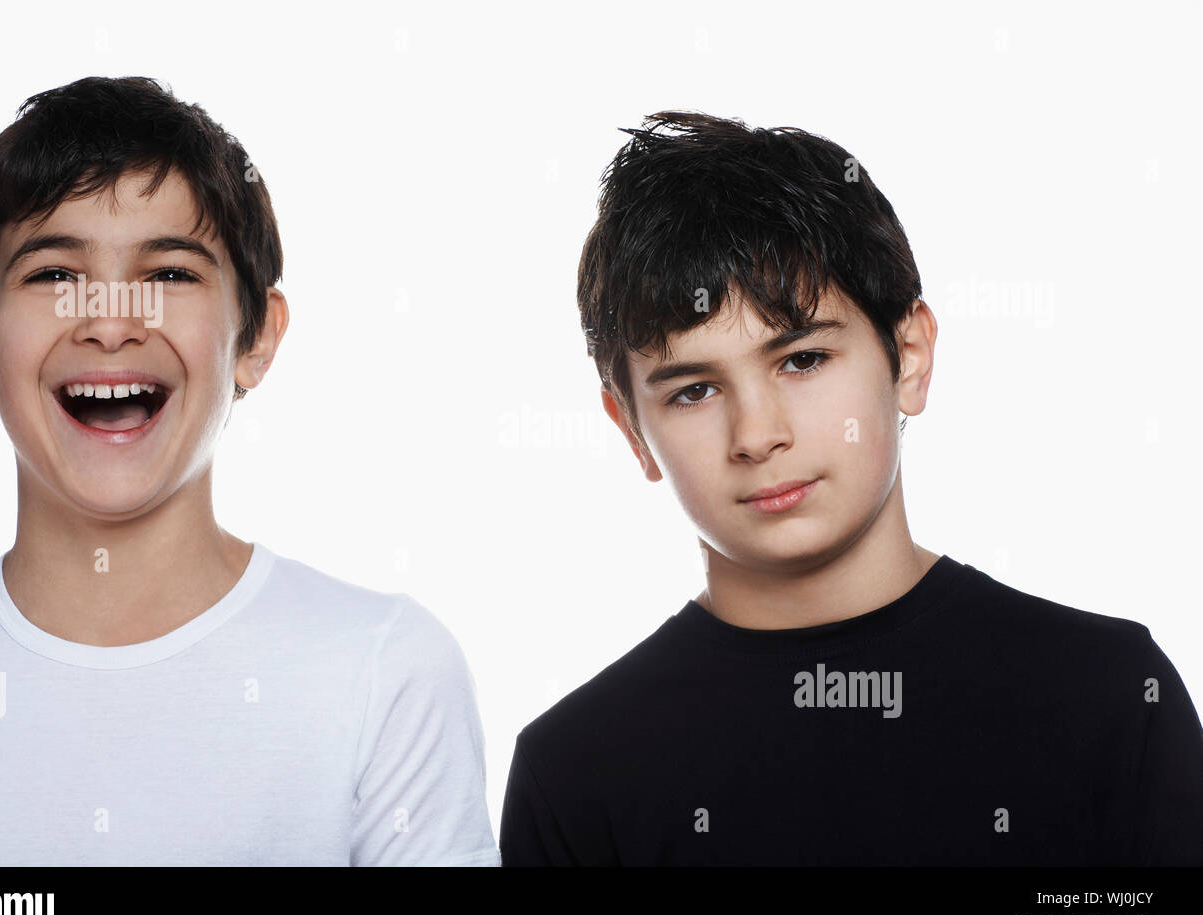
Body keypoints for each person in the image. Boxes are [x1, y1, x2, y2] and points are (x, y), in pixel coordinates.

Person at [498, 111, 1203, 865]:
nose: (757, 434)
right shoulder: (576, 774)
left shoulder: (1108, 699)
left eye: (802, 361)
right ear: (632, 429)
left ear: (909, 355)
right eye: (694, 391)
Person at [0, 76, 497, 866]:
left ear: (256, 339)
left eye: (170, 275)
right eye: (53, 275)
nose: (112, 325)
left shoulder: (383, 673)